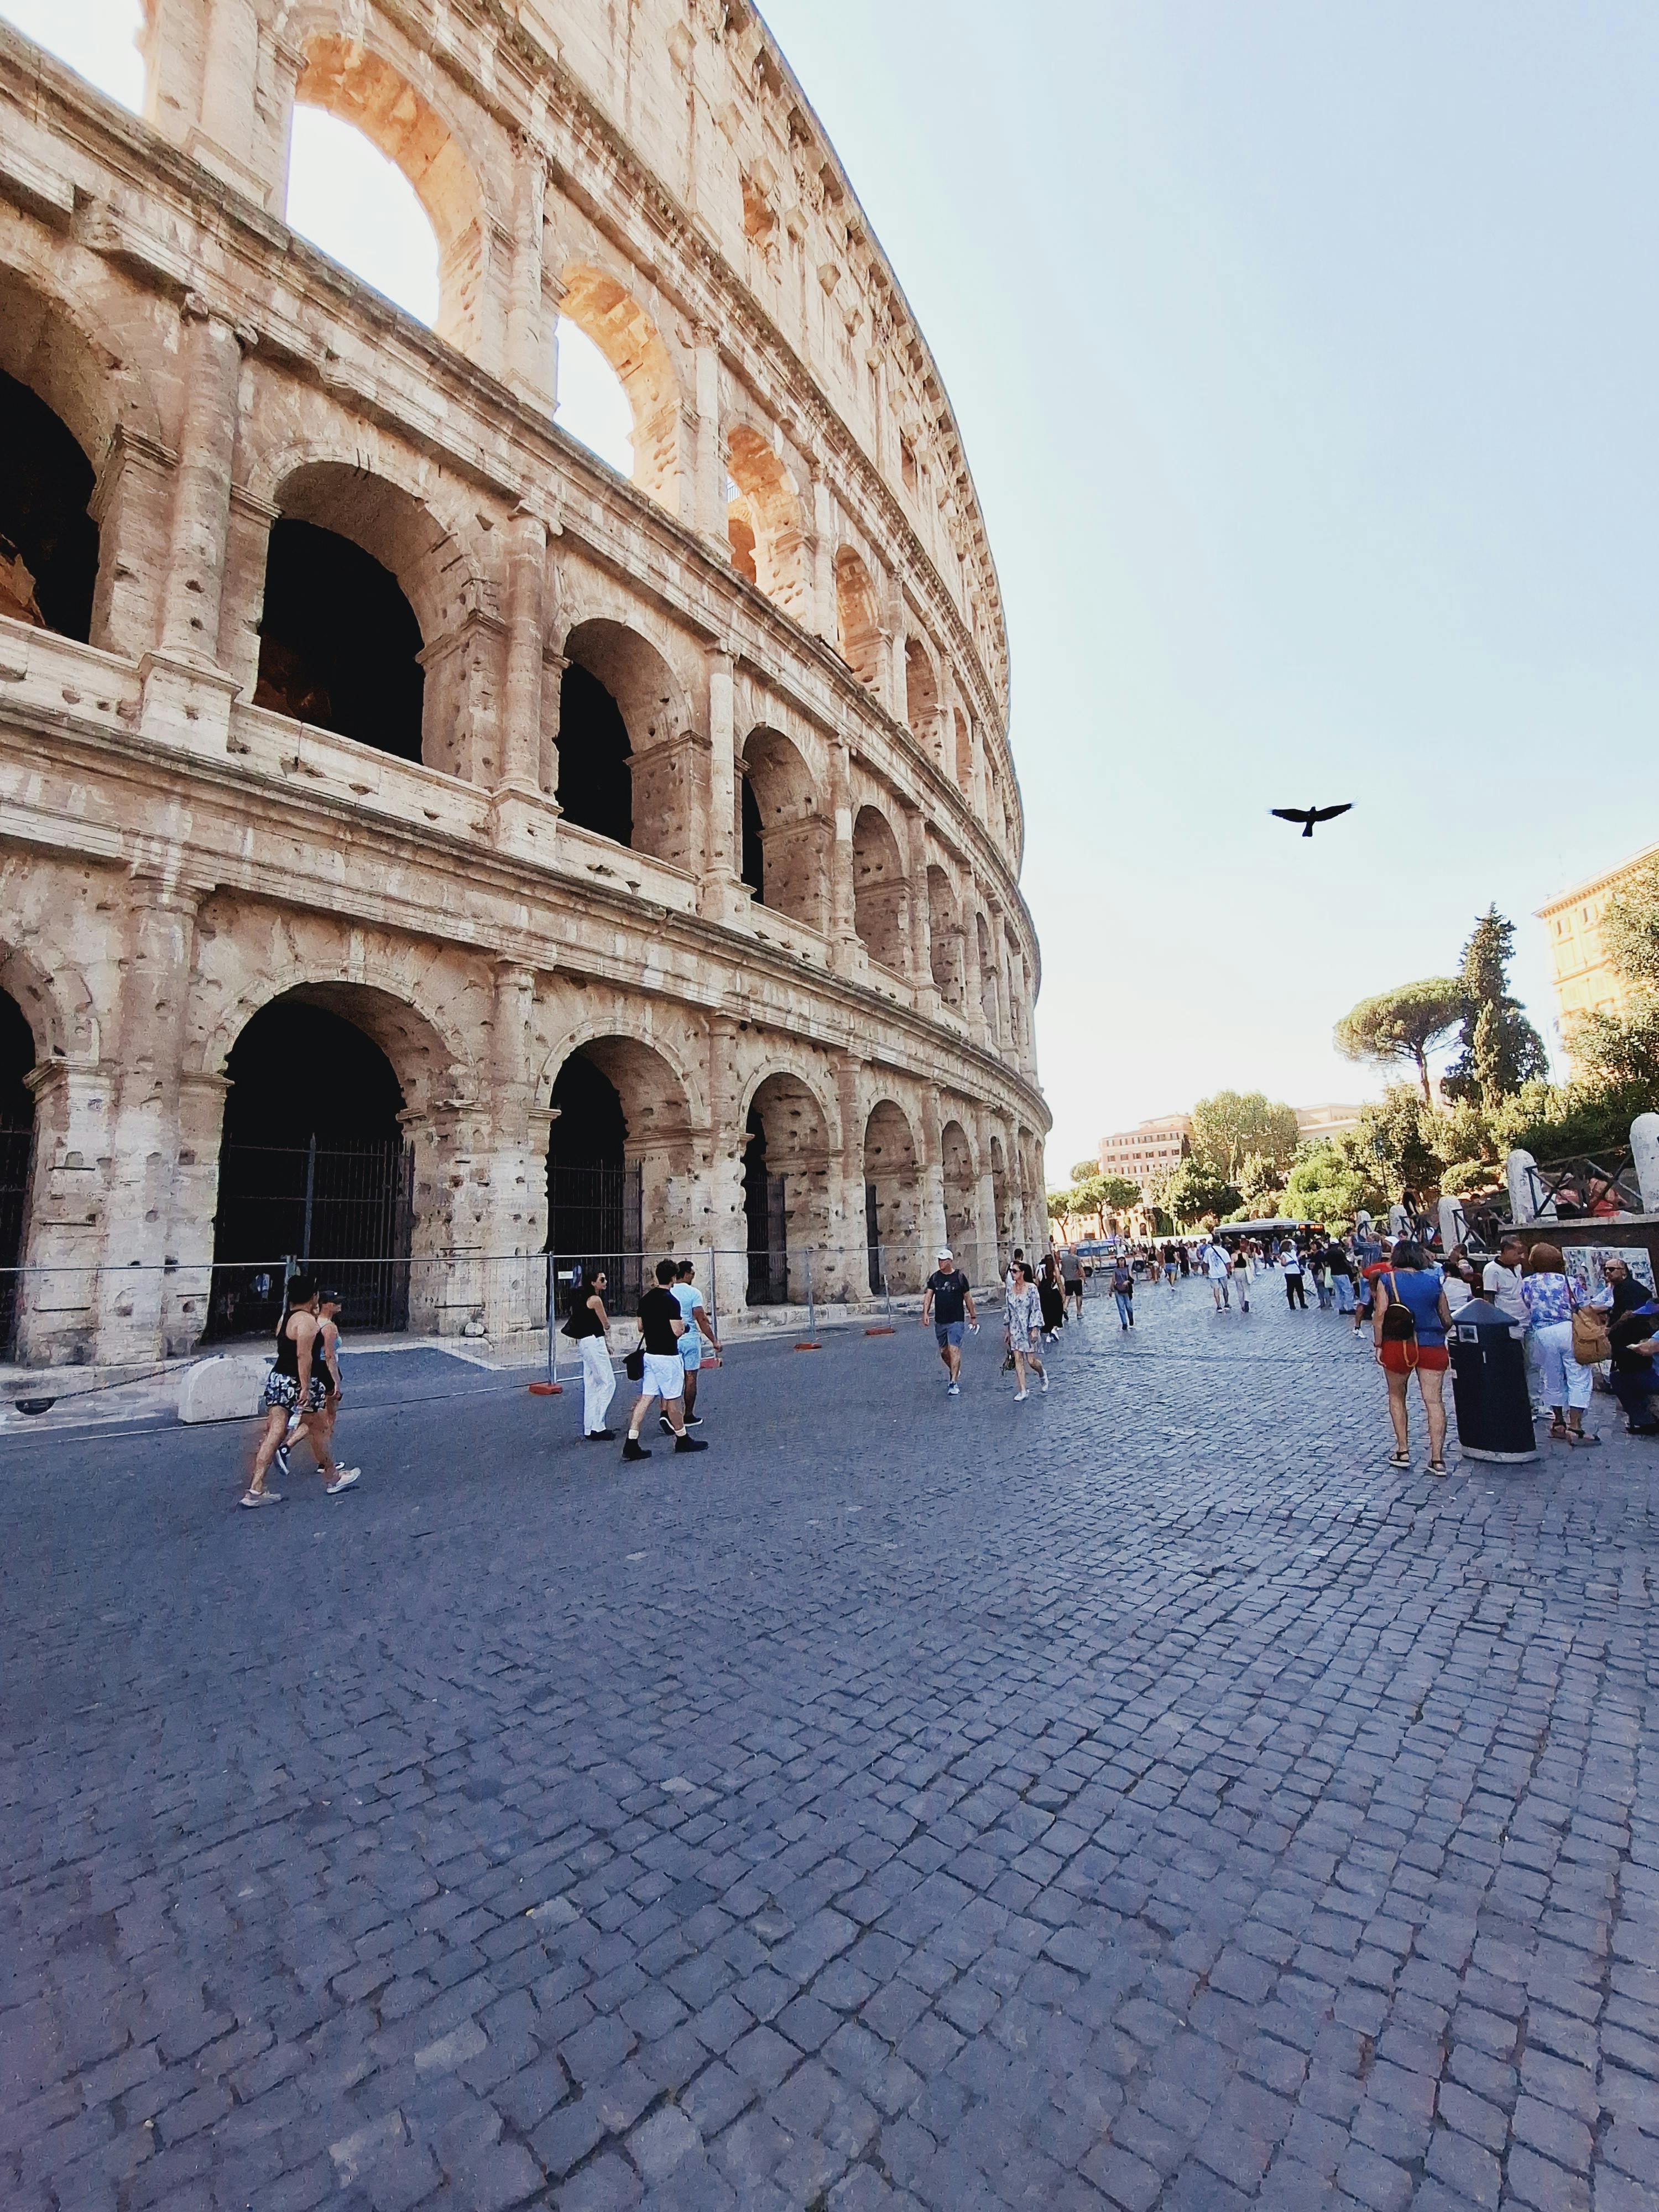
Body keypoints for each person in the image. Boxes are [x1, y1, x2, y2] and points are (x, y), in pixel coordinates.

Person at [242, 1274, 353, 1506]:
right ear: (313, 1297)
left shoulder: (285, 1319)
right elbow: (305, 1357)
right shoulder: (308, 1323)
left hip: (278, 1378)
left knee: (275, 1432)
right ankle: (333, 1477)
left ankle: (255, 1489)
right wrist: (306, 1387)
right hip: (298, 1381)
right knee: (320, 1428)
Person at [1373, 1240, 1454, 1475]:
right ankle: (1437, 1459)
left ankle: (1403, 1450)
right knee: (1434, 1402)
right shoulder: (1433, 1281)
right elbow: (1446, 1317)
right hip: (1432, 1344)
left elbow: (1380, 1315)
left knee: (1397, 1396)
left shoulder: (1388, 1280)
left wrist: (1379, 1344)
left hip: (1399, 1344)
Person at [623, 1260, 708, 1460]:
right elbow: (677, 1331)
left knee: (646, 1398)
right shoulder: (671, 1301)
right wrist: (686, 1327)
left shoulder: (645, 1299)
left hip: (650, 1355)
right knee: (673, 1400)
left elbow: (641, 1327)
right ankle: (682, 1438)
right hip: (667, 1356)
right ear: (673, 1277)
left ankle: (632, 1440)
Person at [1519, 1241, 1597, 1446]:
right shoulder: (1569, 1282)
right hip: (1568, 1329)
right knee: (1578, 1376)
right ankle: (1576, 1426)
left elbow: (1528, 1304)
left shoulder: (1528, 1283)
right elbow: (1586, 1309)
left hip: (1542, 1333)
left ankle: (1558, 1423)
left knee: (1552, 1376)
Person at [302, 1287, 360, 1489]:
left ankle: (322, 1460)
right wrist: (335, 1382)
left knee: (316, 1419)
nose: (339, 1305)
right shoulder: (329, 1328)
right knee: (324, 1421)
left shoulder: (312, 1323)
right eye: (335, 1302)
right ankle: (290, 1448)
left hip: (313, 1372)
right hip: (325, 1373)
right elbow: (330, 1357)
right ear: (326, 1304)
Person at [564, 1265, 617, 1441]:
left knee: (592, 1384)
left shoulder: (581, 1298)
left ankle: (590, 1427)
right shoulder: (595, 1300)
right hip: (594, 1341)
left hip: (585, 1343)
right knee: (608, 1382)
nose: (605, 1282)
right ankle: (598, 1426)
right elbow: (606, 1324)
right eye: (602, 1280)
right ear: (593, 1282)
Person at [665, 1259, 719, 1432]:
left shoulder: (668, 1291)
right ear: (686, 1274)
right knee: (690, 1377)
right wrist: (714, 1341)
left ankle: (667, 1414)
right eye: (693, 1273)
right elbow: (700, 1318)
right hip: (689, 1338)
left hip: (671, 1337)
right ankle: (688, 1415)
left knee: (671, 1377)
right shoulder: (694, 1293)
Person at [922, 1246, 978, 1394]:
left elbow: (968, 1298)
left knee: (954, 1349)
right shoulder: (935, 1278)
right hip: (940, 1320)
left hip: (956, 1320)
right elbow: (929, 1296)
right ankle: (955, 1369)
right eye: (939, 1260)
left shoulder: (960, 1277)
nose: (940, 1263)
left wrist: (973, 1317)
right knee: (944, 1352)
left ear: (950, 1261)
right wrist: (925, 1313)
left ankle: (953, 1382)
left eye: (943, 1260)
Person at [1004, 1260, 1048, 1399]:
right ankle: (1023, 1390)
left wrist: (1035, 1329)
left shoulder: (1032, 1289)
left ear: (1022, 1272)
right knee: (1018, 1359)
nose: (1012, 1274)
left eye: (1015, 1271)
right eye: (1011, 1271)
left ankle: (1042, 1373)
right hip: (1015, 1328)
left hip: (1029, 1328)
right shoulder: (1010, 1291)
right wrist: (1007, 1330)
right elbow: (1009, 1311)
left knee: (1031, 1361)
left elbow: (1036, 1309)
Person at [1327, 1239, 1355, 1316]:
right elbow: (1345, 1262)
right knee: (1348, 1290)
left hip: (1334, 1274)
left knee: (1339, 1291)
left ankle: (1341, 1308)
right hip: (1342, 1273)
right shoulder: (1339, 1252)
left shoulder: (1328, 1253)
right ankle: (1350, 1308)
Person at [1204, 1239, 1232, 1311]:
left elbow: (1205, 1263)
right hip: (1223, 1272)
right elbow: (1228, 1263)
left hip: (1213, 1273)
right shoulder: (1223, 1251)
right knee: (1225, 1288)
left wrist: (1206, 1272)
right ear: (1220, 1242)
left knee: (1216, 1290)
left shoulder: (1208, 1251)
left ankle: (1219, 1306)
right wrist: (1228, 1272)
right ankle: (1226, 1304)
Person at [1109, 1254, 1135, 1329]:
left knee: (1129, 1307)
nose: (1121, 1262)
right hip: (1118, 1290)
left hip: (1127, 1290)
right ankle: (1124, 1323)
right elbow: (1113, 1280)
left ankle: (1131, 1318)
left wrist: (1127, 1282)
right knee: (1121, 1308)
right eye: (1120, 1260)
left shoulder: (1127, 1269)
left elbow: (1132, 1280)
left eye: (1122, 1260)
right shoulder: (1115, 1270)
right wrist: (1110, 1290)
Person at [1280, 1240, 1308, 1311]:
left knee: (1300, 1289)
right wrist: (1289, 1263)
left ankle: (1302, 1303)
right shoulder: (1284, 1254)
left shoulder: (1293, 1252)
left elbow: (1296, 1260)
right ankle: (1292, 1305)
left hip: (1297, 1272)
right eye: (1290, 1245)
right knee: (1290, 1290)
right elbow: (1283, 1263)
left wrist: (1300, 1256)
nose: (1291, 1246)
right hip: (1289, 1273)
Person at [1061, 1245, 1085, 1323]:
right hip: (1076, 1279)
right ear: (1075, 1250)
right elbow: (1080, 1268)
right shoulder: (1077, 1258)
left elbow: (1062, 1270)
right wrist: (1084, 1276)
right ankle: (1079, 1312)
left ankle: (1065, 1308)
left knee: (1068, 1296)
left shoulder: (1064, 1260)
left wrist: (1065, 1277)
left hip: (1068, 1280)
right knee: (1079, 1296)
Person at [1229, 1243, 1252, 1314]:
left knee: (1240, 1290)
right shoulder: (1245, 1255)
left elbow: (1232, 1265)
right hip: (1244, 1272)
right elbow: (1248, 1264)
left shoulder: (1233, 1256)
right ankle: (1247, 1300)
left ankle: (1242, 1305)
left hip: (1237, 1272)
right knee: (1246, 1288)